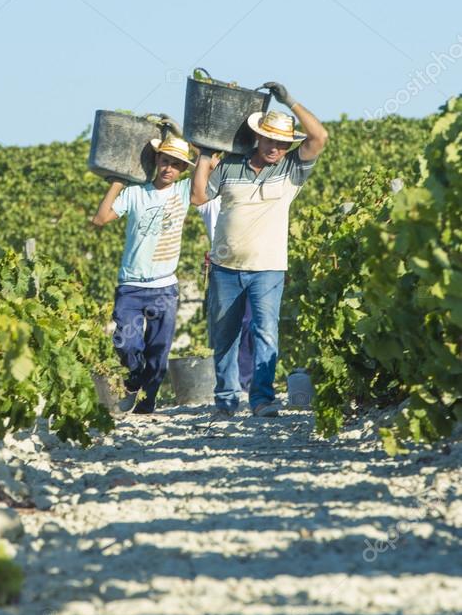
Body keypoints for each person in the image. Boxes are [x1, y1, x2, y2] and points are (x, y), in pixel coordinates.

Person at [191, 81, 329, 417]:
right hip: (225, 267)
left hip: (268, 268)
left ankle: (262, 400)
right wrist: (205, 157)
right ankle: (225, 401)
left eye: (283, 143)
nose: (277, 148)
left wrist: (289, 100)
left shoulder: (291, 169)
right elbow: (197, 197)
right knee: (224, 337)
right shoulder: (229, 166)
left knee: (265, 332)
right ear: (258, 137)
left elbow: (320, 138)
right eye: (271, 140)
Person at [91, 133, 196, 414]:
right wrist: (118, 180)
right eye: (164, 161)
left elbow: (204, 183)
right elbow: (100, 219)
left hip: (164, 287)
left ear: (183, 169)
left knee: (158, 349)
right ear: (156, 161)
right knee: (126, 342)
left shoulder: (184, 192)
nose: (168, 168)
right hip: (131, 285)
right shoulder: (135, 193)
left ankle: (147, 400)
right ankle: (134, 378)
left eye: (176, 164)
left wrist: (194, 146)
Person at [198, 197, 254, 401]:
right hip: (223, 271)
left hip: (255, 265)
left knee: (250, 325)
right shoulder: (210, 202)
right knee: (226, 328)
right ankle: (230, 385)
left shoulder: (250, 193)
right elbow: (203, 171)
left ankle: (246, 382)